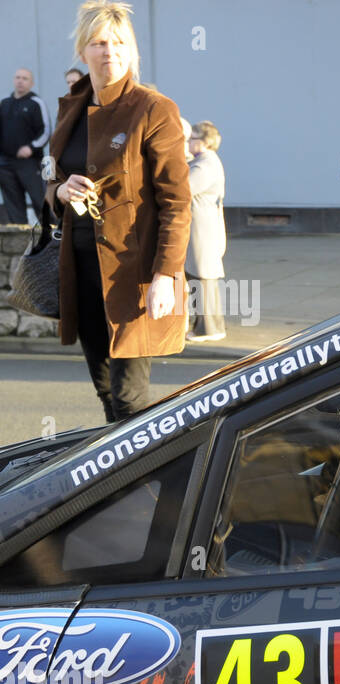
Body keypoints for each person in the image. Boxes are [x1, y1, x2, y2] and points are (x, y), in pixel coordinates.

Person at [46, 1, 190, 422]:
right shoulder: (71, 107)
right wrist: (60, 191)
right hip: (82, 268)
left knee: (130, 400)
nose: (110, 51)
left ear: (132, 51)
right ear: (82, 51)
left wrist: (166, 275)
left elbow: (178, 202)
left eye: (119, 42)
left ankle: (144, 484)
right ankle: (123, 484)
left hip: (135, 272)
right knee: (105, 389)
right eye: (99, 42)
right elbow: (49, 181)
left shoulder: (153, 108)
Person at [185, 119, 226, 342]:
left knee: (200, 277)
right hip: (202, 226)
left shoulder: (204, 165)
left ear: (203, 142)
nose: (189, 142)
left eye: (192, 139)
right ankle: (210, 327)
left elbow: (184, 190)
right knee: (200, 276)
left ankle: (206, 329)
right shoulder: (205, 161)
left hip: (200, 228)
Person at [0, 68, 51, 224]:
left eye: (25, 78)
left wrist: (31, 147)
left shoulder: (36, 103)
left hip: (30, 163)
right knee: (13, 205)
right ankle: (20, 243)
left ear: (31, 83)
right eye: (18, 77)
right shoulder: (5, 103)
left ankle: (51, 238)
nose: (20, 81)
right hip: (6, 164)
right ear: (14, 80)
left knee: (40, 201)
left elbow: (46, 130)